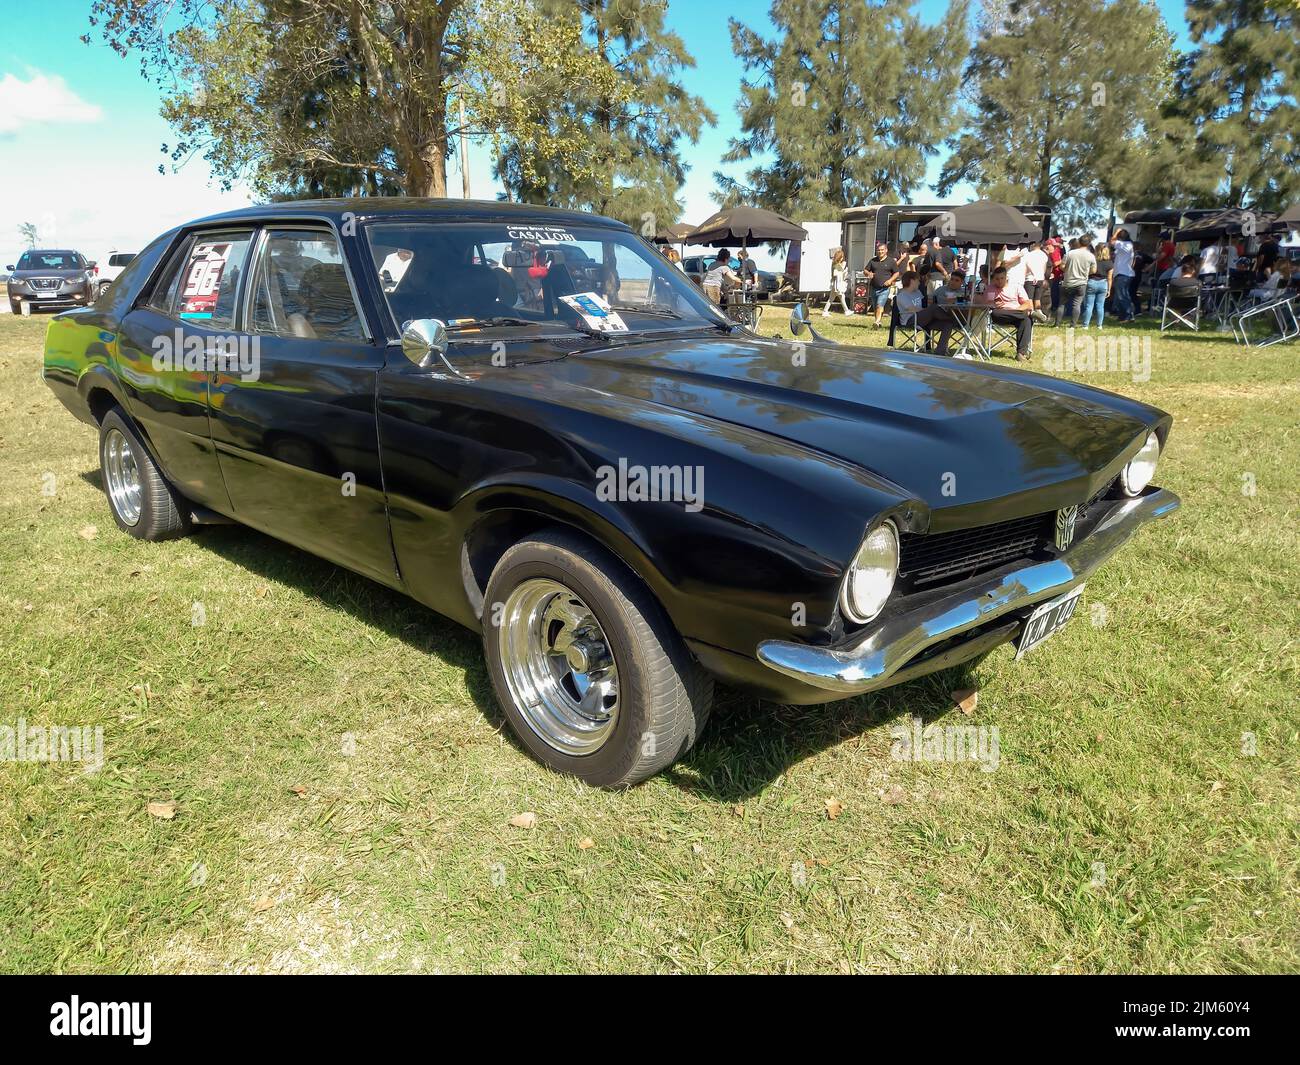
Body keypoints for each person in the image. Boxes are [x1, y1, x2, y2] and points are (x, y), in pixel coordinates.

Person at [975, 265, 1034, 360]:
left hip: (1017, 316)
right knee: (996, 313)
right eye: (997, 279)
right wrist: (994, 304)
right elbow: (987, 305)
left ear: (1006, 277)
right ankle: (1031, 314)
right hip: (1000, 315)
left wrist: (1016, 310)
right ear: (993, 279)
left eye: (1002, 278)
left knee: (1026, 320)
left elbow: (1027, 304)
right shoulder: (991, 289)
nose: (999, 281)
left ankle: (1021, 353)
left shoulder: (1016, 286)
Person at [1057, 237, 1096, 327]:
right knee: (1077, 304)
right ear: (1089, 243)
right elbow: (1094, 270)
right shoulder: (1091, 256)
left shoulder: (1070, 253)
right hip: (1081, 283)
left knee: (1062, 303)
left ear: (1079, 242)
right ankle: (1073, 325)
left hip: (1068, 281)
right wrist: (1086, 272)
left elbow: (1061, 266)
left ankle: (1057, 324)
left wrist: (1068, 270)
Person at [865, 241, 899, 326]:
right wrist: (869, 274)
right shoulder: (873, 260)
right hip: (874, 287)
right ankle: (878, 321)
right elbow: (865, 270)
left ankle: (876, 322)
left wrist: (890, 280)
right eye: (879, 250)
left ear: (886, 250)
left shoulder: (891, 261)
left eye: (882, 250)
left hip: (884, 288)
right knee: (876, 306)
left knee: (880, 304)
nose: (880, 252)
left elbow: (897, 273)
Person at [1080, 242, 1112, 329]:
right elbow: (1110, 278)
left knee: (1089, 305)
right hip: (1103, 283)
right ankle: (1099, 325)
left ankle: (1085, 325)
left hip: (1092, 282)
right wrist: (1109, 289)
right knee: (1100, 306)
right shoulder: (1109, 263)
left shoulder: (1092, 261)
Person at [1110, 228, 1136, 321]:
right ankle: (1123, 315)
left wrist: (1116, 232)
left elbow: (1112, 242)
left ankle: (1128, 315)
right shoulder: (1126, 245)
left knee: (1122, 296)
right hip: (1124, 273)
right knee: (1123, 295)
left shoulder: (1125, 244)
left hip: (1123, 273)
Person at [1022, 240, 1050, 322]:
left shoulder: (1028, 255)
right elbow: (1044, 268)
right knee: (1037, 299)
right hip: (1040, 278)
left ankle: (1032, 316)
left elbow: (1026, 266)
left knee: (1029, 299)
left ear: (1032, 245)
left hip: (1030, 278)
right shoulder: (1044, 255)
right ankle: (1040, 314)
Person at [822, 247, 852, 316]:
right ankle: (846, 311)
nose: (842, 258)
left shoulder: (834, 264)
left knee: (831, 299)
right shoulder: (836, 265)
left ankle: (825, 311)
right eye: (841, 257)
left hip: (835, 284)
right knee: (841, 298)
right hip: (837, 285)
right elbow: (837, 273)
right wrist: (843, 270)